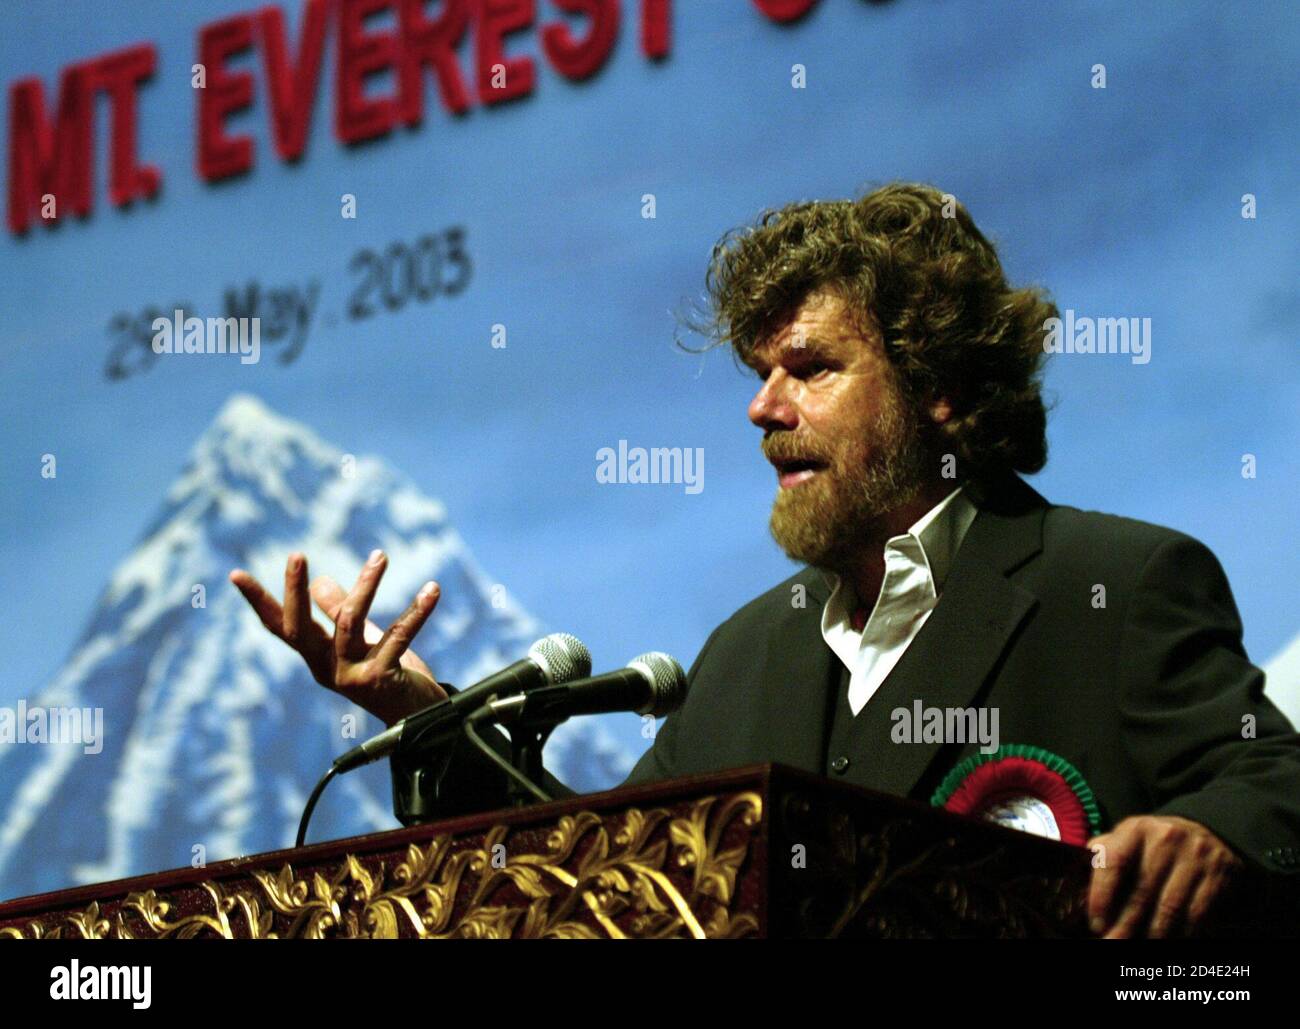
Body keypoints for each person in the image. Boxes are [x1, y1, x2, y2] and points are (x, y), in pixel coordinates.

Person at [230, 182, 1300, 938]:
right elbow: (597, 880)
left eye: (810, 369)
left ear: (939, 388)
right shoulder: (743, 655)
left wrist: (1215, 835)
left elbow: (1278, 780)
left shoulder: (1111, 586)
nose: (762, 407)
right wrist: (430, 718)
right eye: (758, 373)